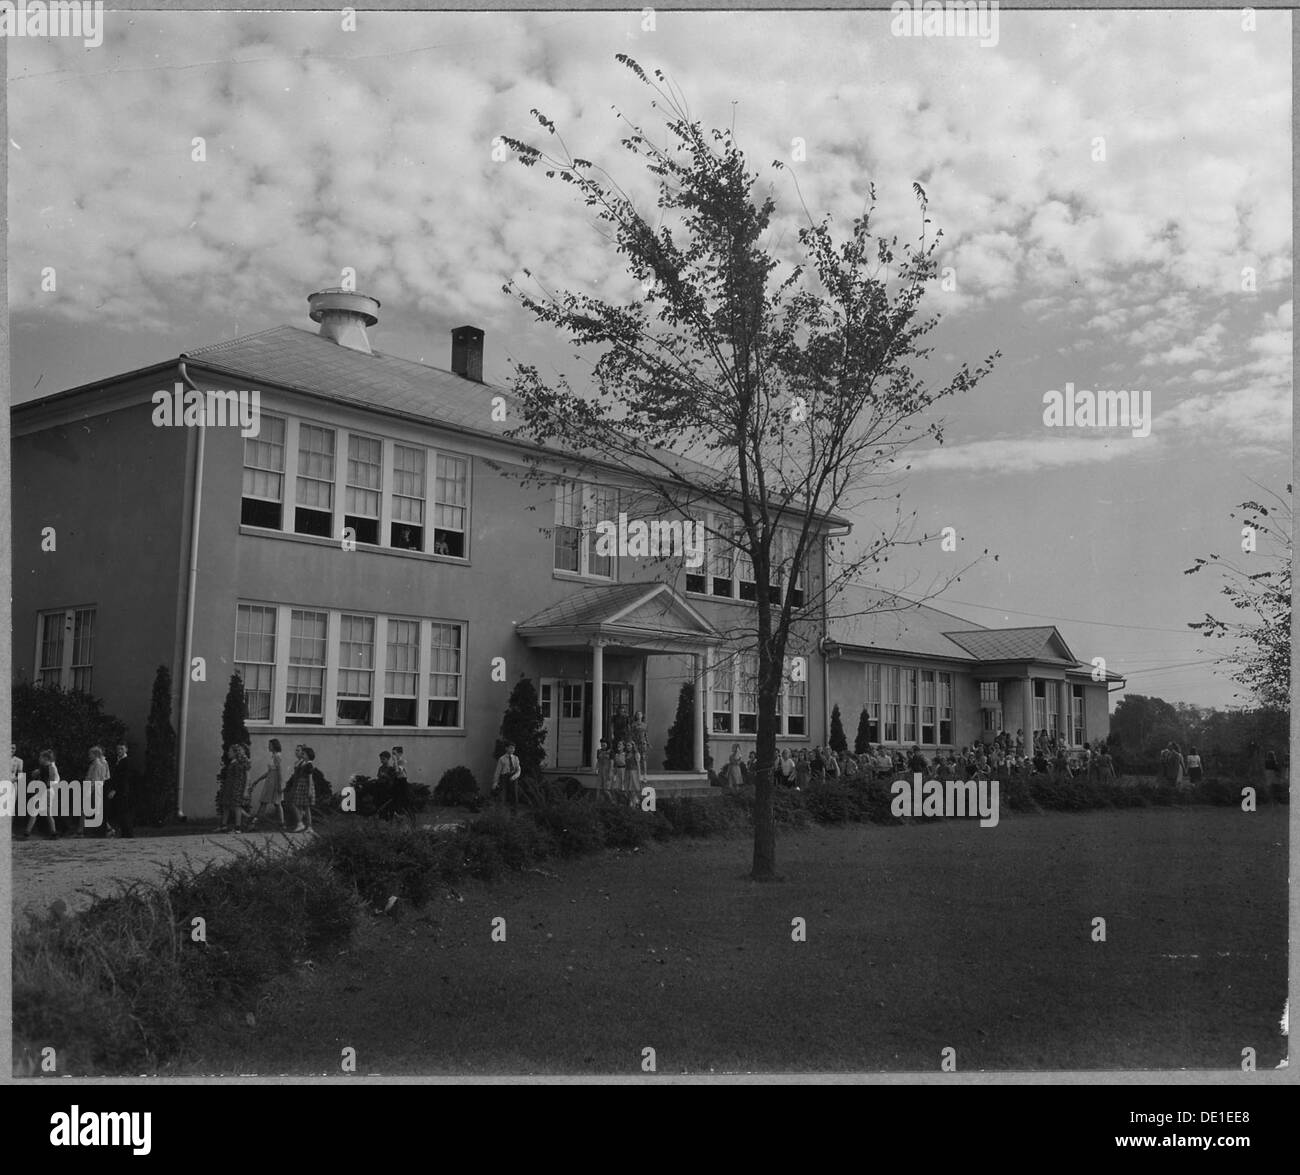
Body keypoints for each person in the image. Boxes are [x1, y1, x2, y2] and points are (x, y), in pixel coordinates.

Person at [22, 750, 59, 839]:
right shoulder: (45, 767)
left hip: (45, 791)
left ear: (46, 758)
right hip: (47, 791)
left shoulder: (50, 768)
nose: (39, 759)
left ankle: (27, 833)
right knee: (47, 813)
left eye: (41, 757)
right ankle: (53, 833)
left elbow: (50, 780)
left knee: (35, 811)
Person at [249, 738, 285, 828]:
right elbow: (269, 771)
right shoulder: (273, 756)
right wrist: (258, 780)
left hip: (275, 781)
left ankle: (255, 822)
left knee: (275, 802)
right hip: (270, 781)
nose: (268, 747)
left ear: (274, 746)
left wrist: (280, 784)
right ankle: (256, 821)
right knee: (267, 801)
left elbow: (279, 771)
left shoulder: (277, 756)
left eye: (270, 745)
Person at [218, 743, 251, 832]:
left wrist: (246, 790)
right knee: (226, 805)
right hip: (229, 787)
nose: (228, 753)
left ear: (235, 753)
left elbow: (246, 776)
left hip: (237, 787)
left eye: (230, 751)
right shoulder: (232, 762)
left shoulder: (240, 763)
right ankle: (223, 825)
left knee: (237, 806)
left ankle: (238, 827)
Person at [85, 746, 111, 838]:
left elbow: (95, 779)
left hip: (94, 788)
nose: (89, 756)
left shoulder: (97, 765)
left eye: (90, 754)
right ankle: (105, 829)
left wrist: (90, 790)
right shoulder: (97, 764)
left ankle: (91, 831)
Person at [495, 741, 521, 815]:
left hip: (513, 777)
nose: (512, 750)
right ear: (506, 748)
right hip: (504, 777)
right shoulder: (502, 759)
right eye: (511, 748)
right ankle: (501, 813)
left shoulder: (516, 758)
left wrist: (514, 777)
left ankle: (514, 814)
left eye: (514, 748)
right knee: (502, 795)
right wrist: (495, 782)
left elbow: (519, 770)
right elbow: (498, 771)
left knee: (514, 796)